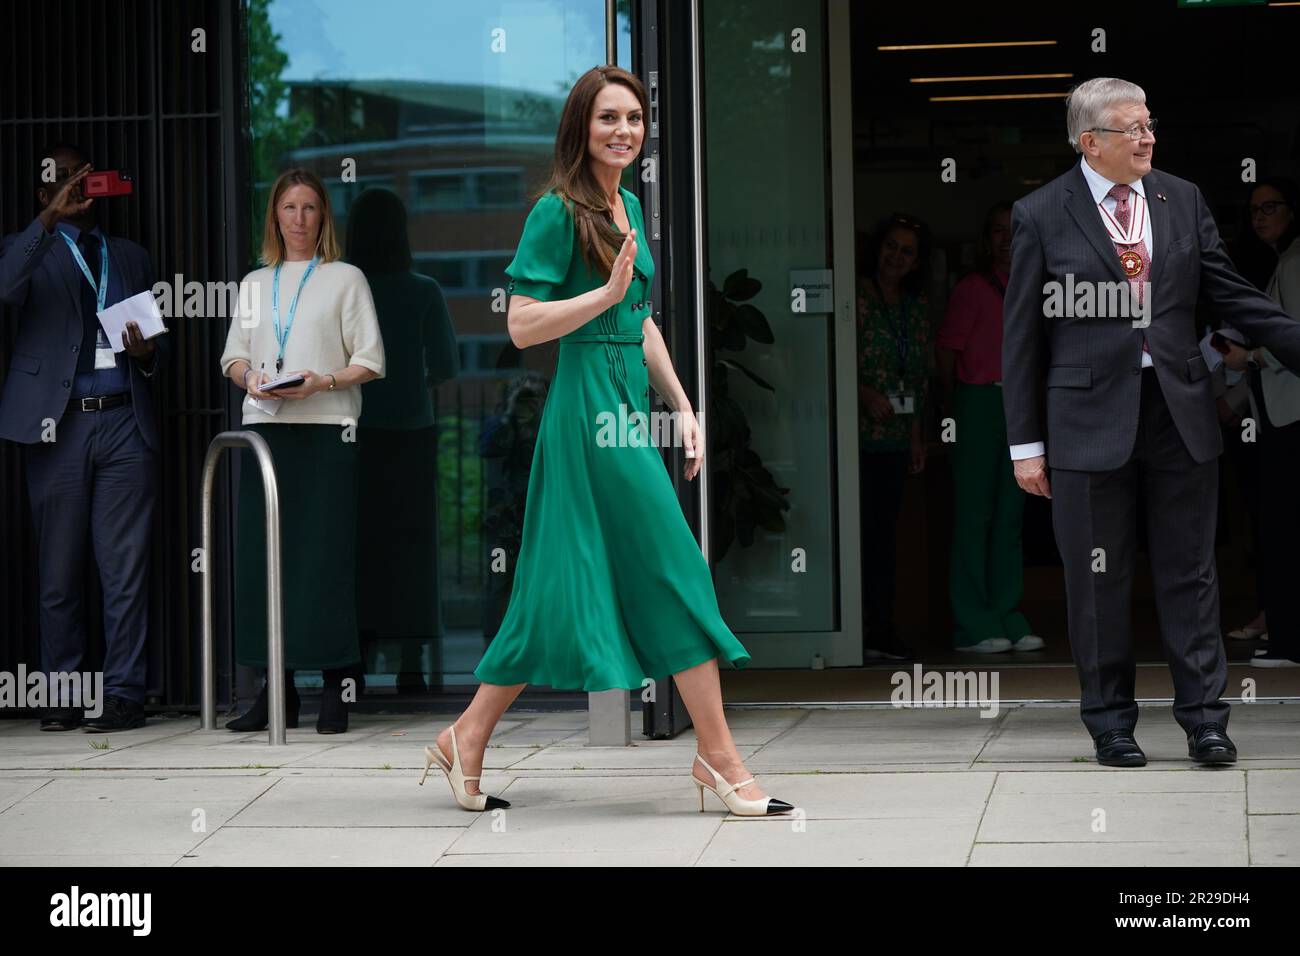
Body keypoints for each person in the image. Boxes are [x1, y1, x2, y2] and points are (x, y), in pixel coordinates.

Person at [417, 65, 793, 817]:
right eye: (607, 118)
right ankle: (719, 757)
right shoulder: (557, 211)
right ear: (580, 128)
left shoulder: (627, 204)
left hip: (624, 400)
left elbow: (641, 321)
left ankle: (468, 733)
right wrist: (605, 295)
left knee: (556, 585)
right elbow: (522, 324)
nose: (624, 130)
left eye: (634, 117)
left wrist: (682, 403)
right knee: (674, 562)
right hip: (585, 406)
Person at [1002, 77, 1300, 767]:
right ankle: (1110, 723)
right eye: (1131, 128)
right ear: (1090, 141)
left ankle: (1205, 722)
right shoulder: (1041, 212)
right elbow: (1021, 338)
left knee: (1190, 572)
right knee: (1097, 577)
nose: (1147, 138)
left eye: (1149, 124)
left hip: (1179, 411)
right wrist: (1026, 444)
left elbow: (1229, 293)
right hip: (1083, 419)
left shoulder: (1181, 197)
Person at [0, 143, 165, 732]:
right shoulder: (27, 249)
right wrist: (45, 223)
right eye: (63, 182)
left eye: (83, 179)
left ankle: (124, 693)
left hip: (124, 418)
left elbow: (151, 343)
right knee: (58, 570)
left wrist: (146, 354)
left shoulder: (130, 255)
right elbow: (4, 287)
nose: (77, 188)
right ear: (44, 195)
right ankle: (63, 694)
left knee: (124, 569)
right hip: (56, 424)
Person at [219, 168, 385, 734]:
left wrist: (323, 382)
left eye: (309, 207)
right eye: (288, 208)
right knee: (266, 561)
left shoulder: (345, 279)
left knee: (324, 560)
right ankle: (276, 692)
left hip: (327, 430)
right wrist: (251, 379)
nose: (298, 219)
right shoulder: (253, 284)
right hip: (267, 433)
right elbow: (233, 357)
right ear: (275, 216)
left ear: (323, 217)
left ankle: (336, 688)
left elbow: (371, 359)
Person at [345, 187, 459, 695]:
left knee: (360, 545)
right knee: (413, 547)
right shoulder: (423, 290)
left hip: (356, 430)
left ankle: (359, 651)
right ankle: (412, 657)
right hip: (413, 432)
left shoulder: (348, 288)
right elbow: (448, 366)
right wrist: (412, 387)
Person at [936, 202, 1040, 654]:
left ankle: (1006, 613)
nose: (1005, 238)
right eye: (997, 231)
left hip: (1021, 403)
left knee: (1011, 515)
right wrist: (947, 410)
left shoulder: (1036, 287)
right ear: (986, 240)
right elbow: (946, 353)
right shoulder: (971, 289)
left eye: (1012, 231)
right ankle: (972, 622)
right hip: (977, 400)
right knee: (973, 515)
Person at [1221, 178, 1299, 645]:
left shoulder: (1292, 263)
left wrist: (1248, 357)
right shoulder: (1280, 263)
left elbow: (1294, 341)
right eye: (1254, 210)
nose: (1261, 216)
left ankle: (1289, 636)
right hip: (1276, 409)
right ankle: (1282, 626)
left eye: (1271, 206)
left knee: (1283, 525)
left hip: (1290, 413)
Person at [856, 214, 932, 661]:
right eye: (891, 246)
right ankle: (862, 630)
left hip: (897, 436)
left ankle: (881, 629)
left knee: (886, 538)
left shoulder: (915, 304)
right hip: (857, 437)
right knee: (863, 535)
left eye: (906, 251)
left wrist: (918, 435)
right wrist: (860, 392)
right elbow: (833, 354)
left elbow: (919, 372)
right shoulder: (857, 296)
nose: (896, 256)